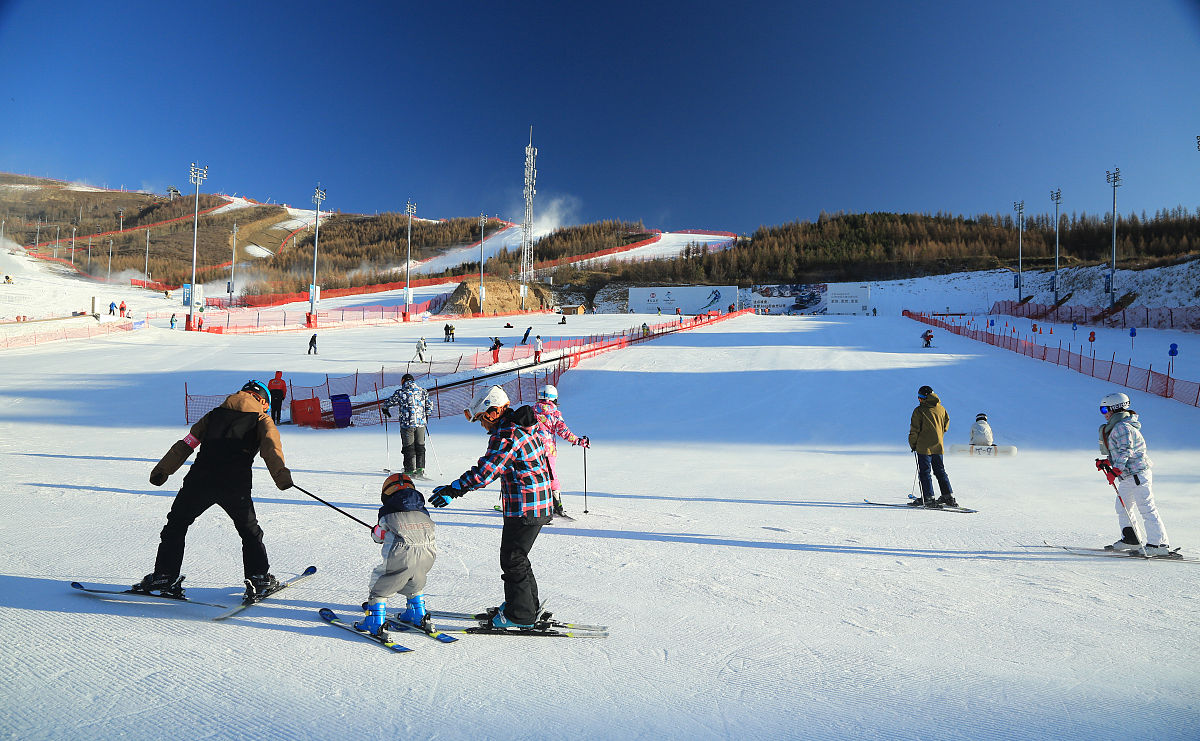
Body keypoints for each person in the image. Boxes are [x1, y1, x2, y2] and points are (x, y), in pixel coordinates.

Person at [135, 380, 294, 599]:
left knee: (176, 525)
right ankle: (259, 579)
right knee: (250, 532)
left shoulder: (213, 415)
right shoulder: (261, 419)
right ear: (263, 402)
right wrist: (281, 476)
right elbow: (271, 449)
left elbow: (187, 443)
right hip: (235, 484)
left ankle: (164, 576)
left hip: (199, 480)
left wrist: (163, 469)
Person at [429, 385, 553, 628]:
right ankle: (526, 606)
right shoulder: (523, 426)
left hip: (526, 505)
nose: (482, 425)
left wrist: (455, 489)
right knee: (518, 557)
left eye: (482, 419)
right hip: (537, 503)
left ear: (494, 412)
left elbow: (487, 470)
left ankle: (520, 615)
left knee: (513, 559)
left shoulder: (507, 434)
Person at [355, 473, 437, 639]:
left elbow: (379, 537)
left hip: (400, 554)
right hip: (428, 554)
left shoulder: (387, 512)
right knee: (415, 579)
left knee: (382, 583)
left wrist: (376, 531)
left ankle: (374, 621)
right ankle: (417, 613)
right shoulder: (423, 511)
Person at [1097, 392, 1171, 555]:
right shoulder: (1119, 426)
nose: (1104, 414)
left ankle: (1159, 545)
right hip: (1128, 476)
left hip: (1137, 474)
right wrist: (1107, 462)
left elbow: (1126, 450)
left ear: (1116, 408)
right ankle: (1132, 540)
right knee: (1123, 507)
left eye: (1105, 409)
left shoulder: (1122, 427)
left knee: (1146, 507)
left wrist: (1115, 470)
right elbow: (1120, 452)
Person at [533, 384, 589, 518]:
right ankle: (557, 505)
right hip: (548, 451)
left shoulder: (531, 411)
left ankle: (532, 503)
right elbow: (563, 431)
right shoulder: (554, 414)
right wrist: (578, 441)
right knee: (551, 477)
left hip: (531, 450)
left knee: (534, 476)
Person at [908, 385, 957, 508]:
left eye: (920, 397)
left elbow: (914, 430)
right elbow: (946, 424)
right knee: (940, 471)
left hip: (924, 447)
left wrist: (913, 444)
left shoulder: (919, 411)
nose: (919, 399)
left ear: (925, 397)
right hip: (938, 446)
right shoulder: (941, 409)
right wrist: (938, 434)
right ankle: (948, 496)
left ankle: (929, 498)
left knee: (925, 472)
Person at [381, 373, 433, 476]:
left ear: (403, 381)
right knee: (420, 445)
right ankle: (420, 469)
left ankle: (409, 469)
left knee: (409, 446)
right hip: (421, 423)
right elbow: (429, 404)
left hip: (407, 424)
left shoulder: (401, 392)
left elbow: (389, 402)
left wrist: (385, 408)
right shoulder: (422, 391)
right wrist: (426, 415)